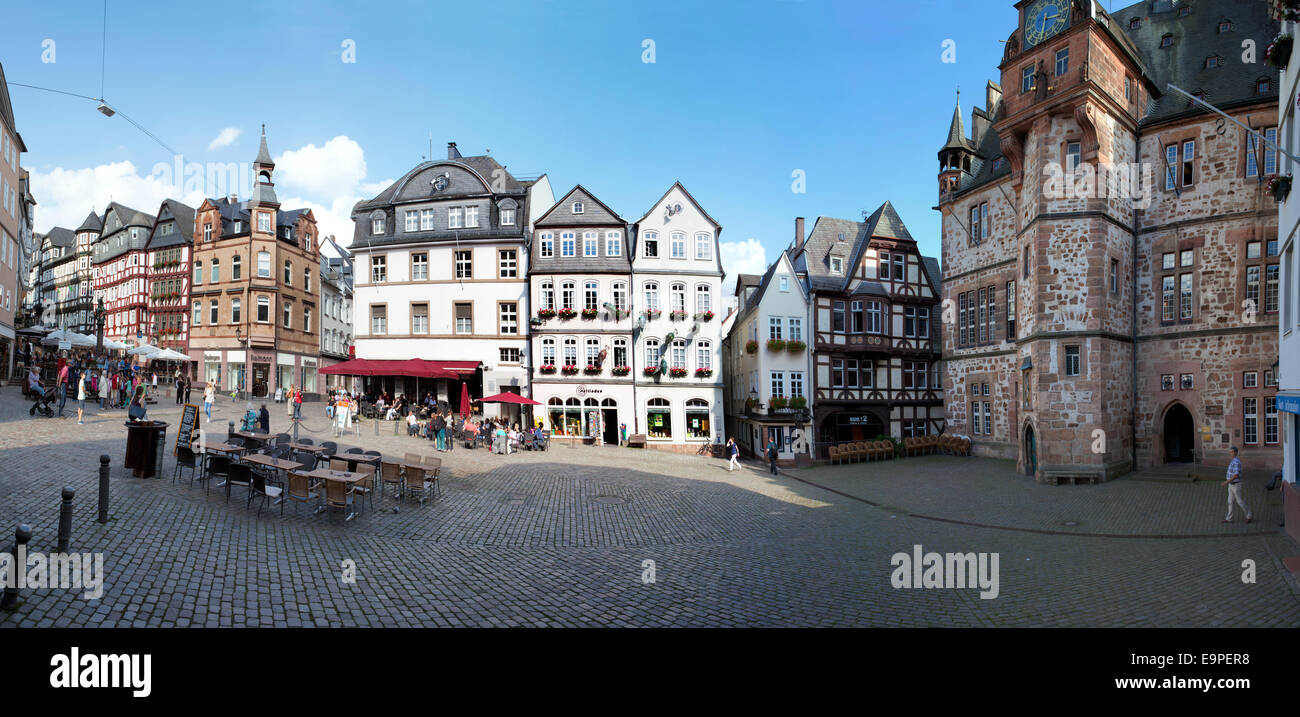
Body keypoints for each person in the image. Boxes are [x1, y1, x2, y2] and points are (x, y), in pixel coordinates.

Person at [1222, 446, 1253, 524]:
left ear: (1236, 452)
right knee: (1230, 501)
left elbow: (1236, 475)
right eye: (1230, 452)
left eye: (1231, 452)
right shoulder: (1233, 460)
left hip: (1236, 485)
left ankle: (1249, 515)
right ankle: (1229, 518)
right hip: (1231, 485)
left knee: (1239, 501)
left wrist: (1226, 482)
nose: (1230, 454)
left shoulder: (1236, 462)